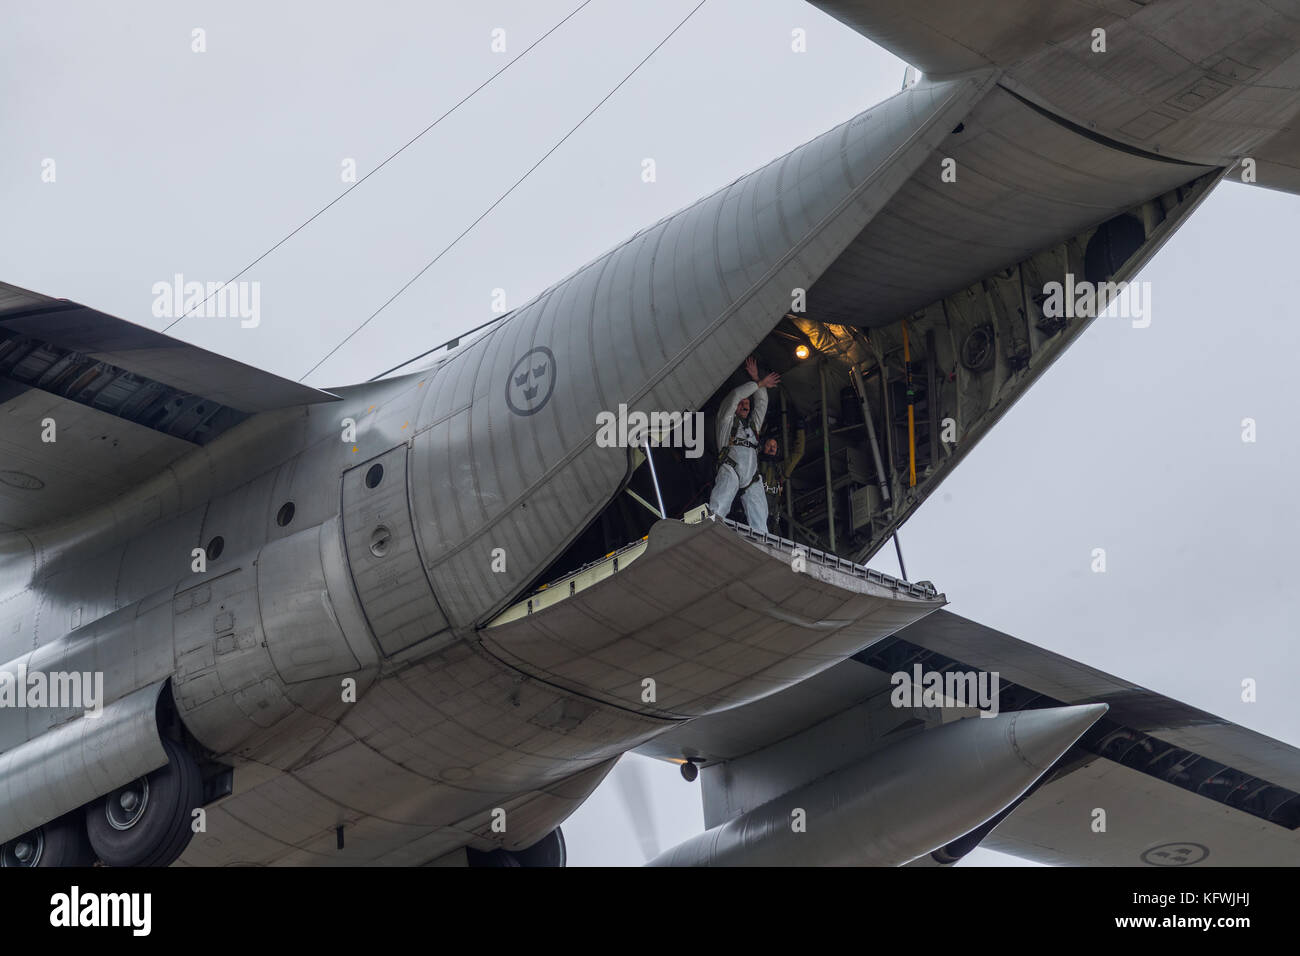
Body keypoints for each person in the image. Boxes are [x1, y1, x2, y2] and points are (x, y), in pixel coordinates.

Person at [709, 357, 780, 529]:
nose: (746, 406)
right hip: (730, 468)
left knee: (760, 518)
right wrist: (759, 383)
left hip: (752, 476)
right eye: (742, 404)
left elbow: (762, 404)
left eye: (748, 403)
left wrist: (758, 380)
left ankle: (762, 544)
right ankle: (711, 528)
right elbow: (735, 396)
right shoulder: (726, 420)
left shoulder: (753, 426)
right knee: (719, 506)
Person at [757, 416, 805, 532]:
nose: (772, 448)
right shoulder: (754, 463)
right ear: (763, 447)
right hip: (755, 512)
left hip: (772, 517)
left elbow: (798, 453)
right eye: (769, 445)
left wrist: (800, 431)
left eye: (774, 446)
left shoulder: (780, 469)